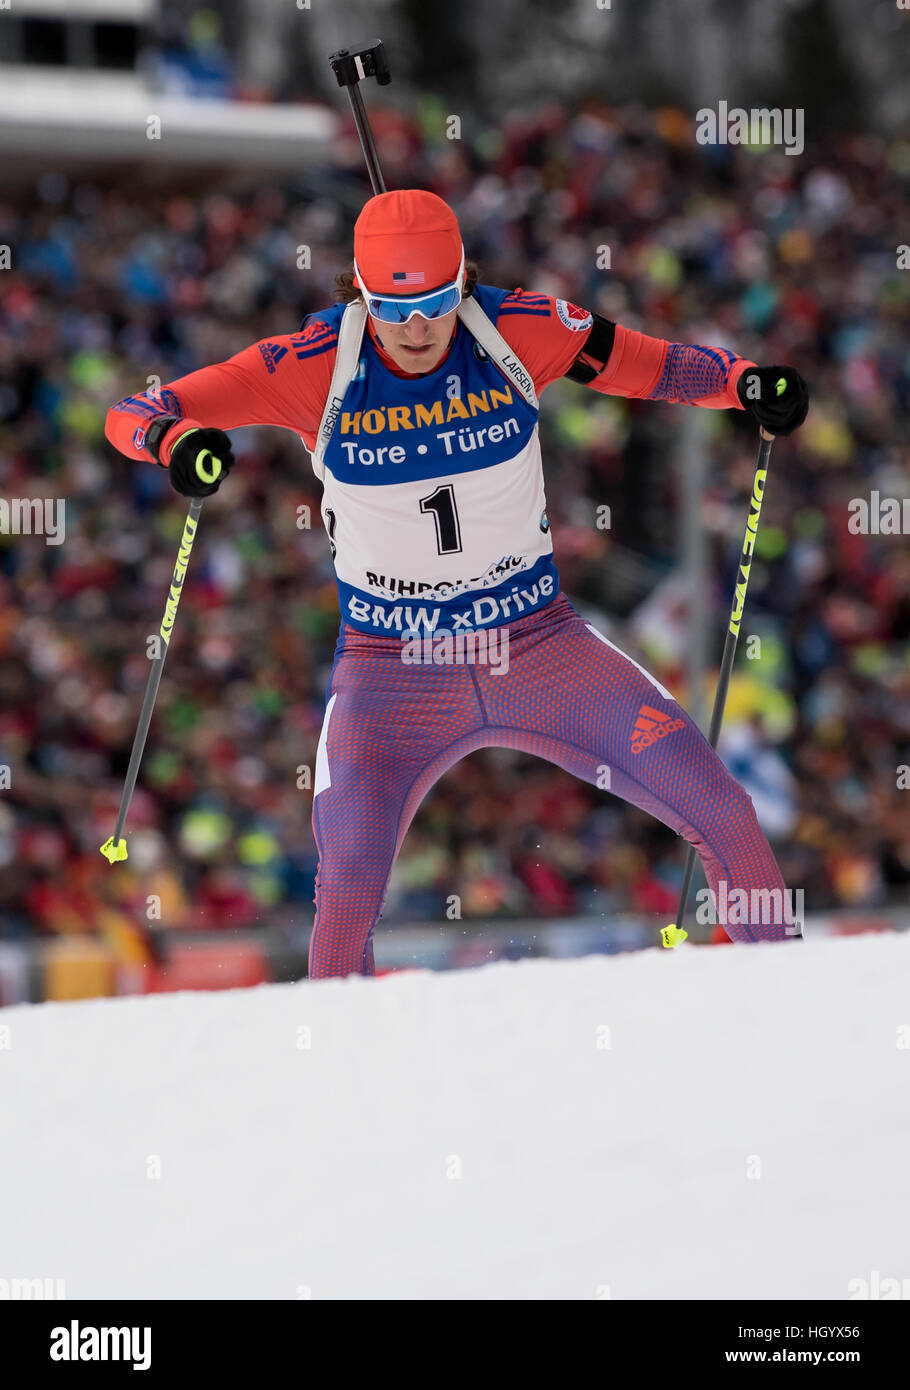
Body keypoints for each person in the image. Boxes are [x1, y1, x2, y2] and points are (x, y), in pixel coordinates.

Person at [106, 189, 809, 977]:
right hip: (393, 669)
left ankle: (782, 1005)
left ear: (464, 282)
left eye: (437, 302)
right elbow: (133, 411)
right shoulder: (310, 367)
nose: (415, 327)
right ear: (359, 291)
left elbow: (653, 367)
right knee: (342, 907)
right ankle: (337, 1086)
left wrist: (747, 384)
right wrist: (174, 440)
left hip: (538, 644)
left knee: (725, 810)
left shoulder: (518, 328)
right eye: (391, 306)